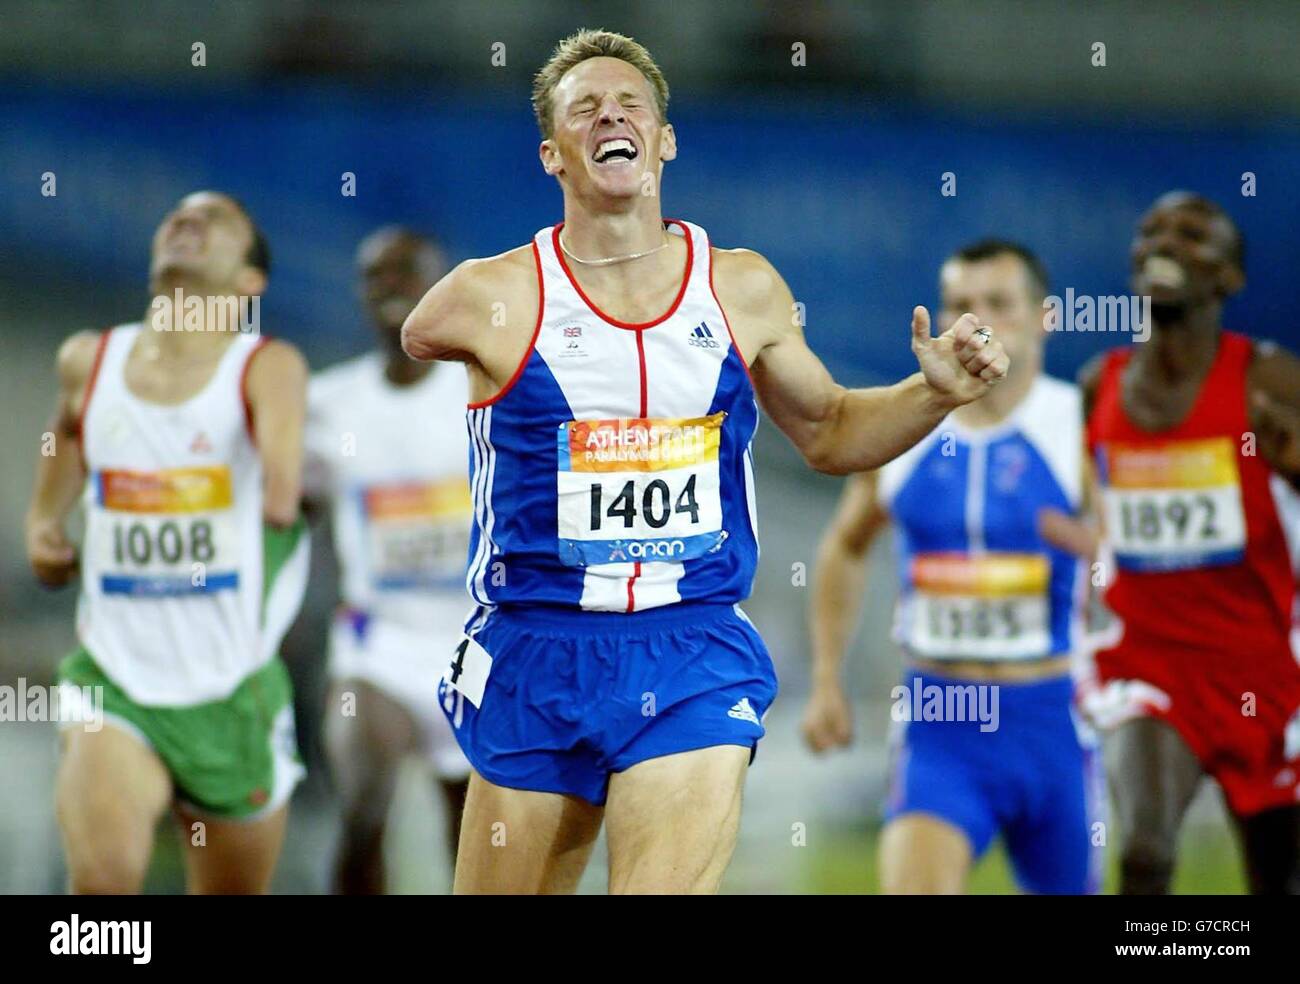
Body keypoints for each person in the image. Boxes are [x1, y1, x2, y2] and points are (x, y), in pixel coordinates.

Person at [401, 29, 1009, 894]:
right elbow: (414, 333)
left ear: (665, 140)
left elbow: (832, 431)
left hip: (689, 647)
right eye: (586, 109)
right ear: (553, 155)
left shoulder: (741, 286)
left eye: (631, 105)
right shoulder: (488, 296)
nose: (611, 116)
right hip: (537, 647)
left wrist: (934, 392)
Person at [26, 190, 310, 894]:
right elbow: (67, 428)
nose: (186, 222)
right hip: (116, 681)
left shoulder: (266, 365)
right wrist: (42, 518)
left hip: (232, 693)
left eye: (213, 221)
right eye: (177, 217)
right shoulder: (88, 360)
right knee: (102, 888)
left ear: (250, 281)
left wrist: (280, 484)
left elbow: (285, 458)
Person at [801, 240, 1103, 894]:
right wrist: (828, 677)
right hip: (942, 720)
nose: (981, 320)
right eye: (963, 305)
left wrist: (1096, 554)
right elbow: (845, 546)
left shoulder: (1080, 426)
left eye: (1000, 303)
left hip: (1053, 720)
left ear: (1046, 316)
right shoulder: (904, 431)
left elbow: (1127, 565)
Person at [1079, 191, 1300, 895]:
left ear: (1228, 278)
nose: (1165, 243)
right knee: (1144, 851)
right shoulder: (1098, 387)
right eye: (1152, 231)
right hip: (1149, 666)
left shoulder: (1270, 381)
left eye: (1192, 234)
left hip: (1265, 673)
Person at [303, 227, 471, 894]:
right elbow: (288, 506)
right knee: (362, 807)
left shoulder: (485, 390)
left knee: (473, 837)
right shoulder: (328, 403)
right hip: (377, 643)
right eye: (375, 276)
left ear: (442, 290)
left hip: (475, 646)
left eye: (408, 274)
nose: (391, 287)